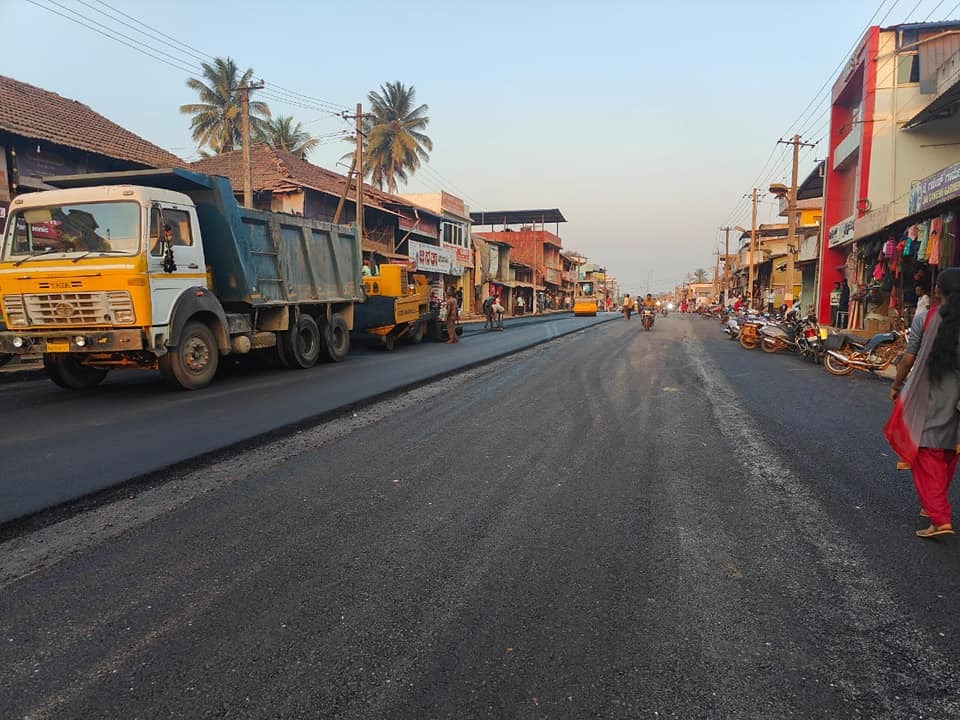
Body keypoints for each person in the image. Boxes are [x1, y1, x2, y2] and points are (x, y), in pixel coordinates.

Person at [885, 268, 960, 538]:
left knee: (927, 453)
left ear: (939, 290)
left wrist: (896, 386)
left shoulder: (925, 318)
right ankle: (932, 506)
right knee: (949, 451)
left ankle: (939, 519)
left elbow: (909, 358)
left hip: (931, 394)